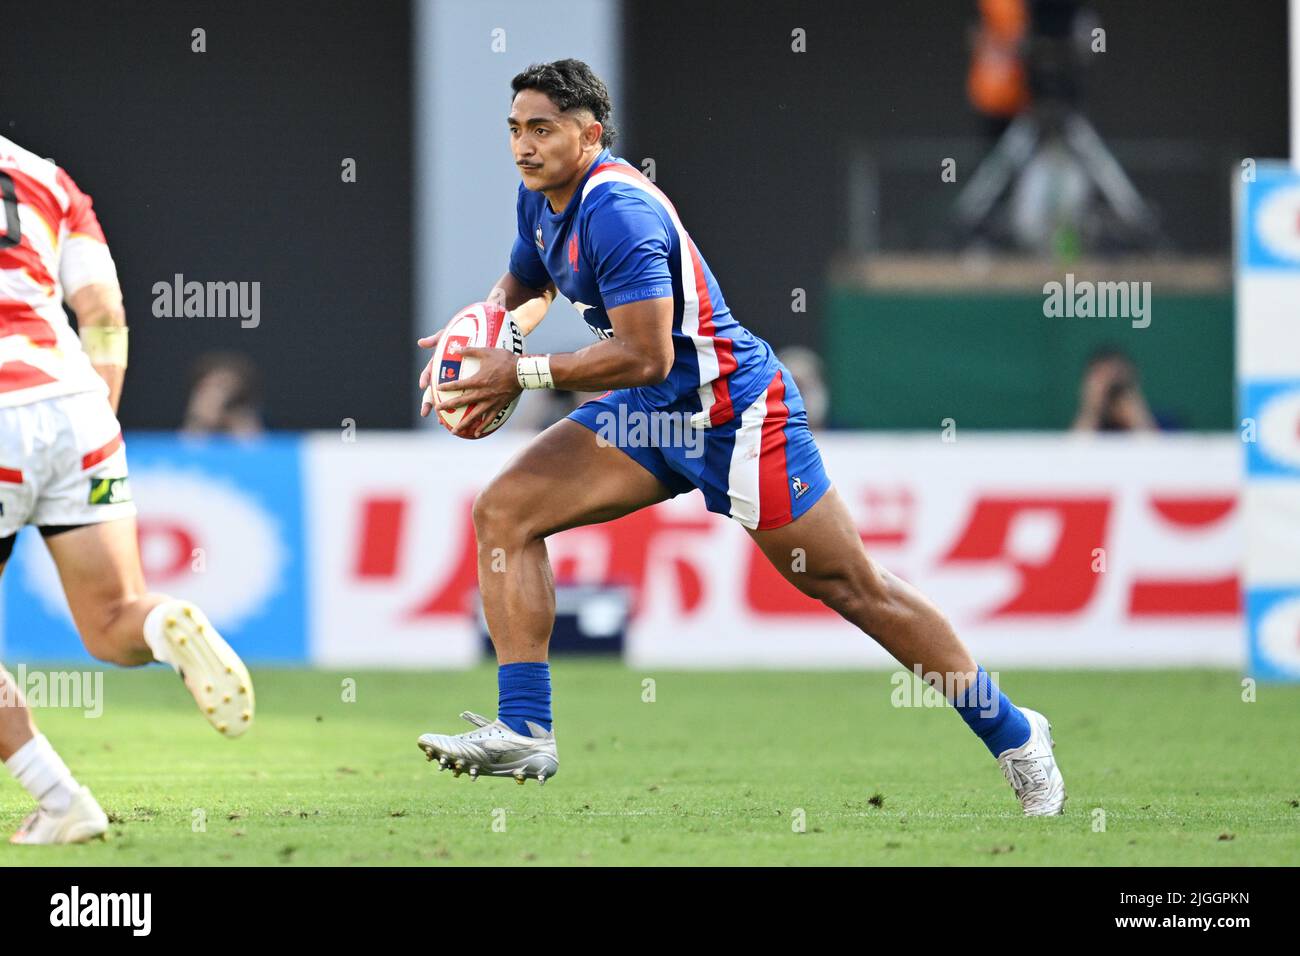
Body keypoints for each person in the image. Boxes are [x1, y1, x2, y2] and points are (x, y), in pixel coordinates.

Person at [414, 60, 1064, 815]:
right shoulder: (539, 199)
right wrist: (489, 326)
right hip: (652, 411)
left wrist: (516, 372)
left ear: (590, 135)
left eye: (542, 129)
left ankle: (1015, 733)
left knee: (853, 589)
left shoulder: (617, 210)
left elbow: (647, 351)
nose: (524, 146)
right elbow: (527, 283)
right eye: (515, 130)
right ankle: (525, 727)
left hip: (737, 415)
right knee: (505, 512)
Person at [0, 135, 254, 844]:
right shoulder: (47, 177)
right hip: (76, 406)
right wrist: (92, 431)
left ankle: (61, 801)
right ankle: (162, 625)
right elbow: (105, 315)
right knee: (114, 622)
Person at [1071, 346, 1159, 432]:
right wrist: (1091, 411)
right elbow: (1076, 445)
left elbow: (1154, 445)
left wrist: (1138, 417)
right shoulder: (1085, 427)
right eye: (1100, 377)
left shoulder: (1162, 422)